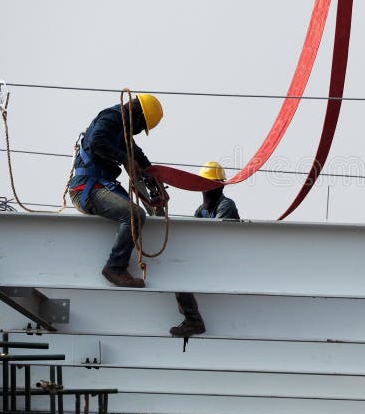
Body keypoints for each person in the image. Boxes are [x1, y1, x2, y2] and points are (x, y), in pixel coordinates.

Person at [68, 94, 164, 288]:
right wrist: (124, 158)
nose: (138, 132)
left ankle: (117, 264)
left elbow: (137, 154)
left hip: (99, 185)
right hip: (87, 187)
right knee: (134, 215)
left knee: (136, 214)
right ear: (137, 116)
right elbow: (97, 142)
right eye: (141, 127)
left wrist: (153, 174)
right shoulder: (111, 119)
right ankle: (115, 267)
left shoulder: (122, 128)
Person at [170, 161, 240, 337]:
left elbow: (214, 236)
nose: (204, 191)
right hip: (211, 257)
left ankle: (194, 321)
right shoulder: (202, 210)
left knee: (181, 274)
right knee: (176, 271)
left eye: (207, 185)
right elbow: (193, 235)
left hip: (227, 259)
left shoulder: (226, 205)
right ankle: (191, 319)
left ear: (218, 187)